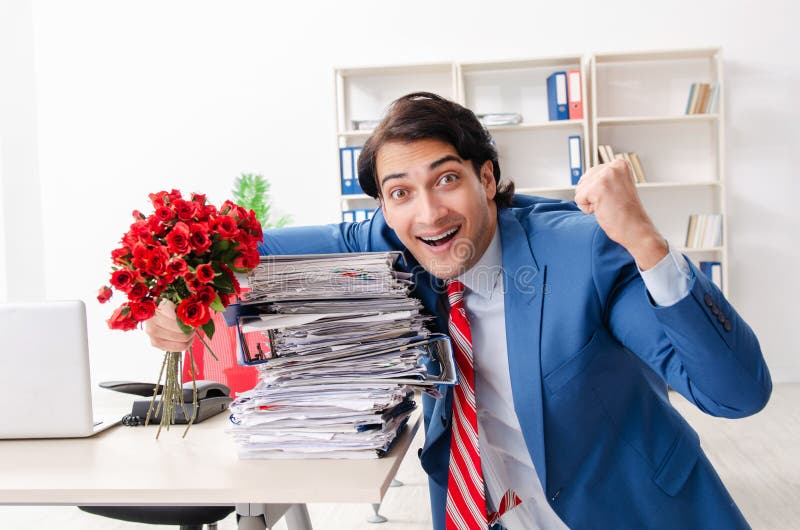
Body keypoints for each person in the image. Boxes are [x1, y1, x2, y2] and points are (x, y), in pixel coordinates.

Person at [145, 92, 771, 530]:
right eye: (400, 193)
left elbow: (736, 394)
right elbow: (249, 254)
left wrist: (646, 243)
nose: (429, 213)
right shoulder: (396, 245)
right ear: (384, 210)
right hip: (486, 514)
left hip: (629, 514)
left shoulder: (582, 251)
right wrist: (182, 298)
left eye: (446, 179)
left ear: (487, 176)